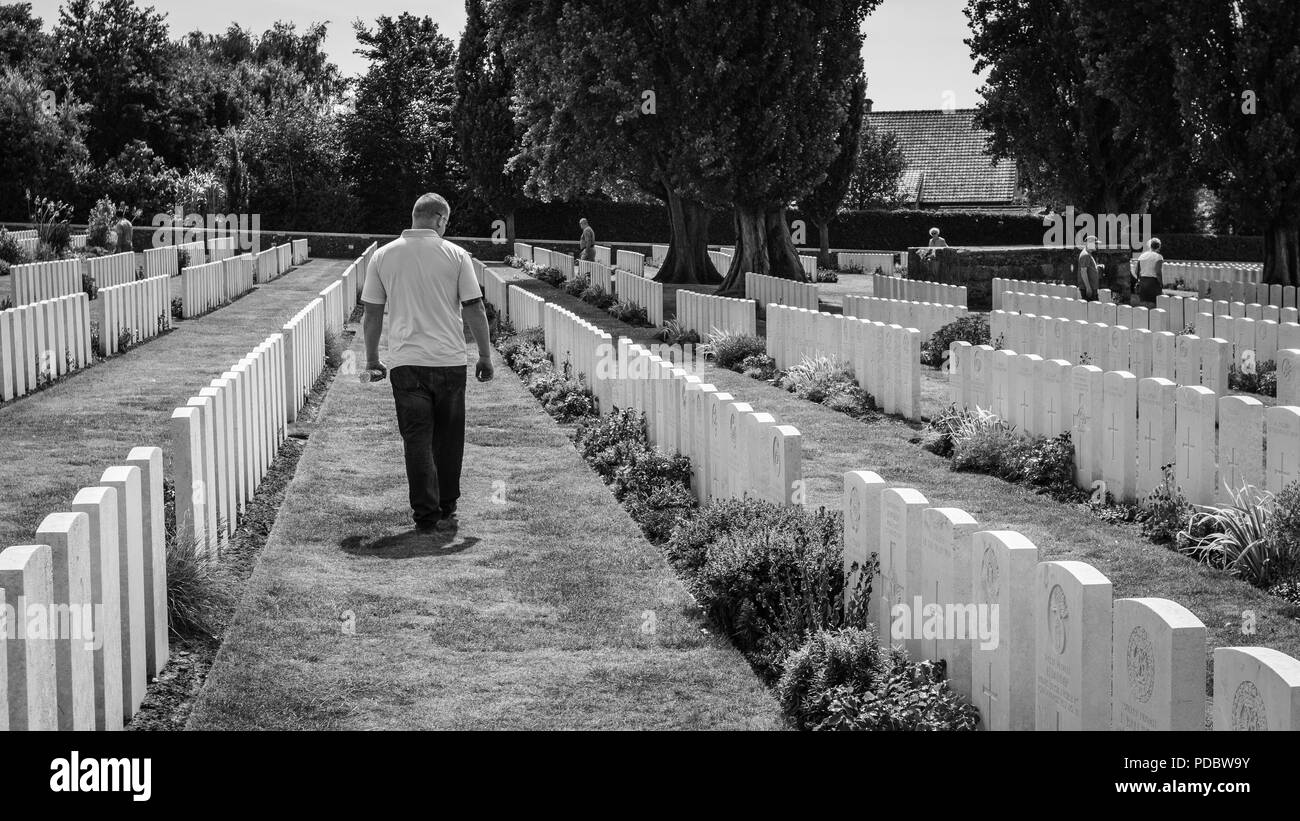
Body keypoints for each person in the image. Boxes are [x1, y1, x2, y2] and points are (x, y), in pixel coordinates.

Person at [361, 193, 494, 534]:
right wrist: (484, 355)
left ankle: (425, 516)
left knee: (417, 440)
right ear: (438, 219)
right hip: (448, 360)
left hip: (406, 361)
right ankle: (447, 508)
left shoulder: (383, 256)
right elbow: (474, 307)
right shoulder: (456, 255)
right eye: (446, 221)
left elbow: (372, 313)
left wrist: (373, 359)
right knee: (448, 440)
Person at [1135, 237, 1165, 309]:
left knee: (1143, 307)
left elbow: (1136, 271)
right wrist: (1161, 283)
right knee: (1154, 307)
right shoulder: (1159, 257)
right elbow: (1158, 272)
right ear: (1159, 246)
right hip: (1153, 283)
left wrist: (1140, 279)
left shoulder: (1142, 256)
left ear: (1150, 246)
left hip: (1142, 282)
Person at [1077, 234, 1101, 302]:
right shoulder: (1085, 255)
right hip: (1089, 288)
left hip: (1091, 287)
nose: (1097, 245)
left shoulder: (1088, 254)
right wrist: (1088, 288)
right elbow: (1083, 272)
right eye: (1095, 243)